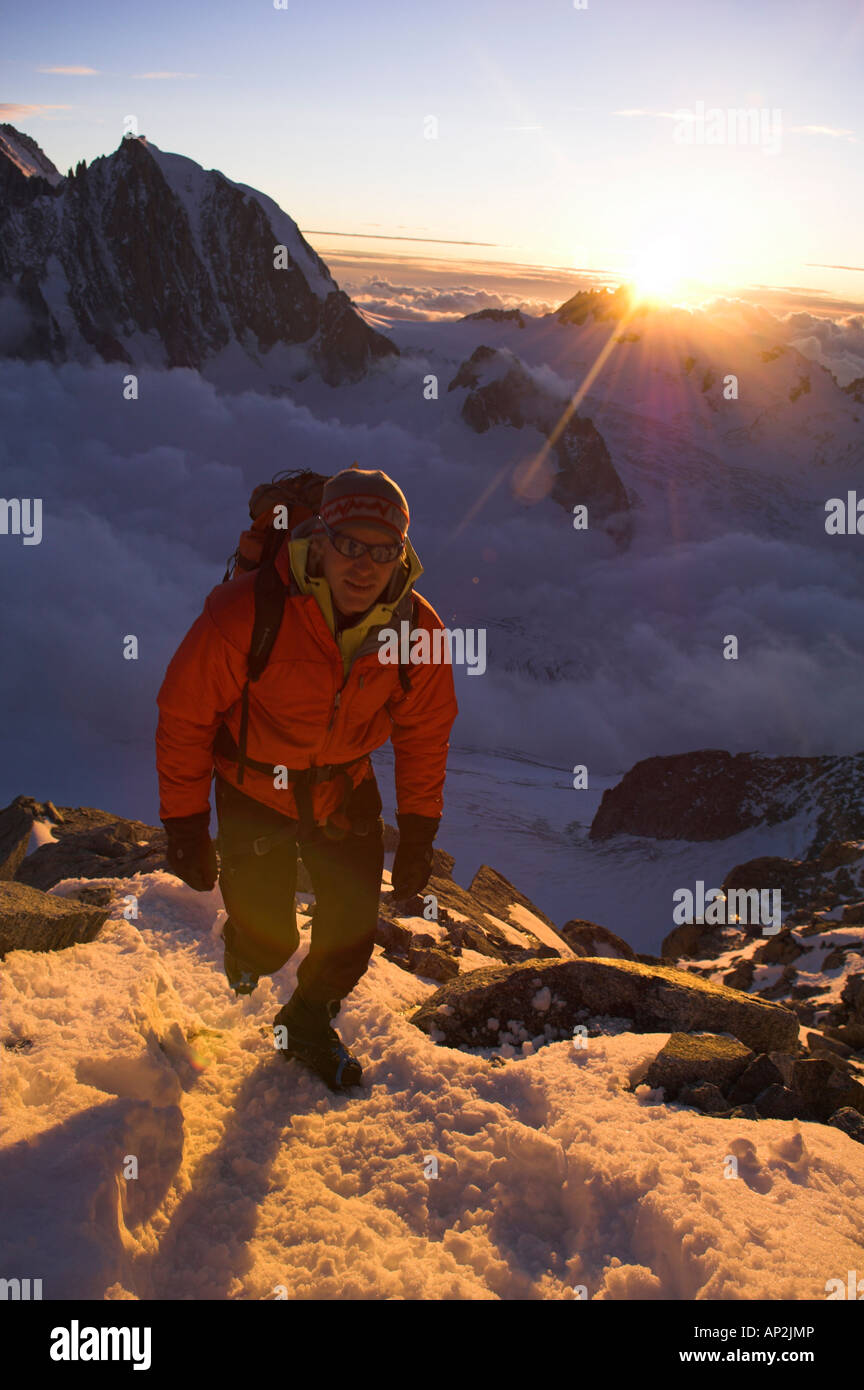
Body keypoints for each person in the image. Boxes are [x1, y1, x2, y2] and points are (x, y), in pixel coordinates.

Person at [155, 468, 458, 1089]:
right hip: (251, 787)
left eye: (384, 550)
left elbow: (424, 731)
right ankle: (248, 948)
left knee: (350, 937)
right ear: (319, 536)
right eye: (350, 543)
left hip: (343, 788)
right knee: (269, 942)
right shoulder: (245, 610)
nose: (365, 564)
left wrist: (420, 829)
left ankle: (305, 1022)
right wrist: (184, 825)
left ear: (403, 553)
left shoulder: (418, 630)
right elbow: (185, 716)